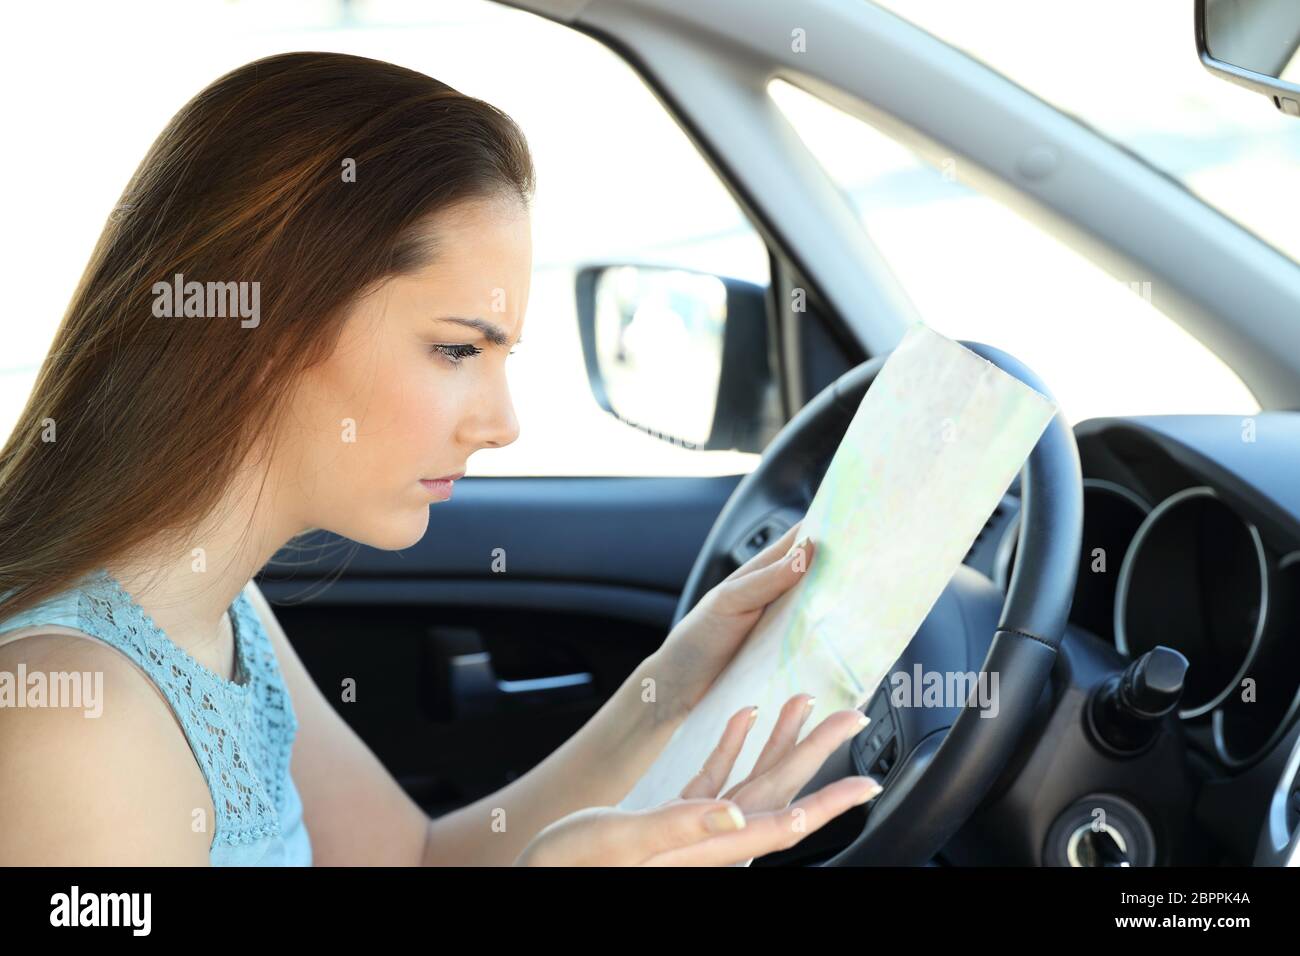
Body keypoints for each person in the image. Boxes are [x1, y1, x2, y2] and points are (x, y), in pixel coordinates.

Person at [0, 51, 880, 866]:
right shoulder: (75, 722)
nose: (502, 424)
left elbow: (411, 860)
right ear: (266, 330)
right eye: (459, 350)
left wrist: (671, 691)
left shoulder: (216, 607)